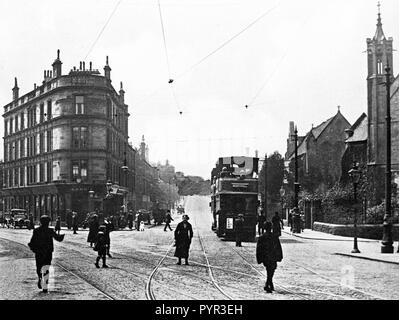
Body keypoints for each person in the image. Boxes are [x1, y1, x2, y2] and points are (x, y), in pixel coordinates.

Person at [28, 215, 64, 293]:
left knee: (39, 267)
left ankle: (40, 277)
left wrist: (33, 249)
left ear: (41, 222)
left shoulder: (37, 231)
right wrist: (62, 236)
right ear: (48, 223)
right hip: (48, 252)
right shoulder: (50, 231)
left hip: (39, 252)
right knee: (46, 268)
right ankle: (45, 285)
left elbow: (32, 242)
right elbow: (58, 238)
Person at [256, 221, 283, 293]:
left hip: (265, 257)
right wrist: (279, 256)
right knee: (271, 269)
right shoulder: (274, 237)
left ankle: (269, 283)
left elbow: (259, 249)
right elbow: (278, 247)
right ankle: (268, 283)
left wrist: (259, 258)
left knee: (269, 269)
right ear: (271, 228)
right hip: (273, 256)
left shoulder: (262, 237)